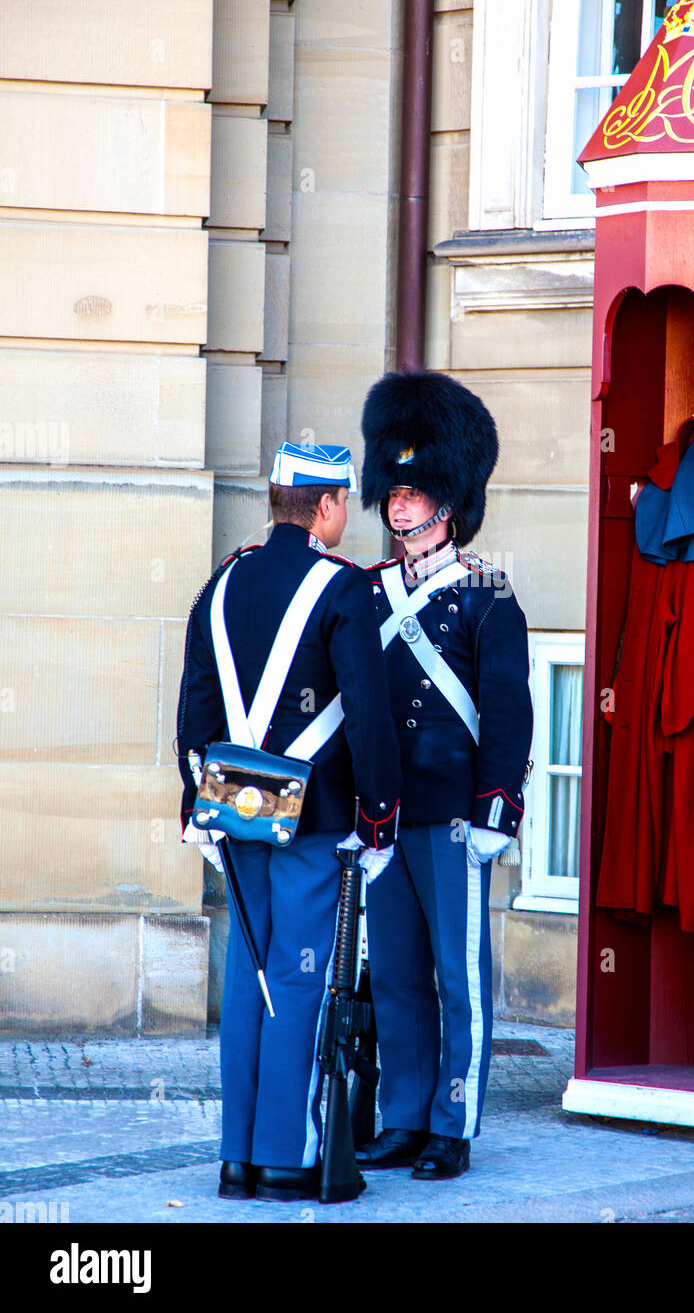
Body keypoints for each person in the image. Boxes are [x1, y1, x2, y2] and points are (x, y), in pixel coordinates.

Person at [176, 441, 401, 1203]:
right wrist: (377, 820)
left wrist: (196, 803)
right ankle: (287, 1156)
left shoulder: (222, 582)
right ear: (329, 505)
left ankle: (236, 1157)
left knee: (251, 977)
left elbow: (195, 708)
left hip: (236, 810)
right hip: (315, 816)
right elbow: (369, 721)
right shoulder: (343, 590)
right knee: (301, 981)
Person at [355, 369, 534, 1179]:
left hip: (455, 813)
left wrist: (497, 807)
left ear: (448, 501)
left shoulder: (487, 596)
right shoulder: (364, 594)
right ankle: (401, 1116)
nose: (398, 504)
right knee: (393, 974)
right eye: (391, 490)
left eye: (415, 490)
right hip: (385, 816)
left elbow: (506, 711)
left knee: (458, 979)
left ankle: (452, 1124)